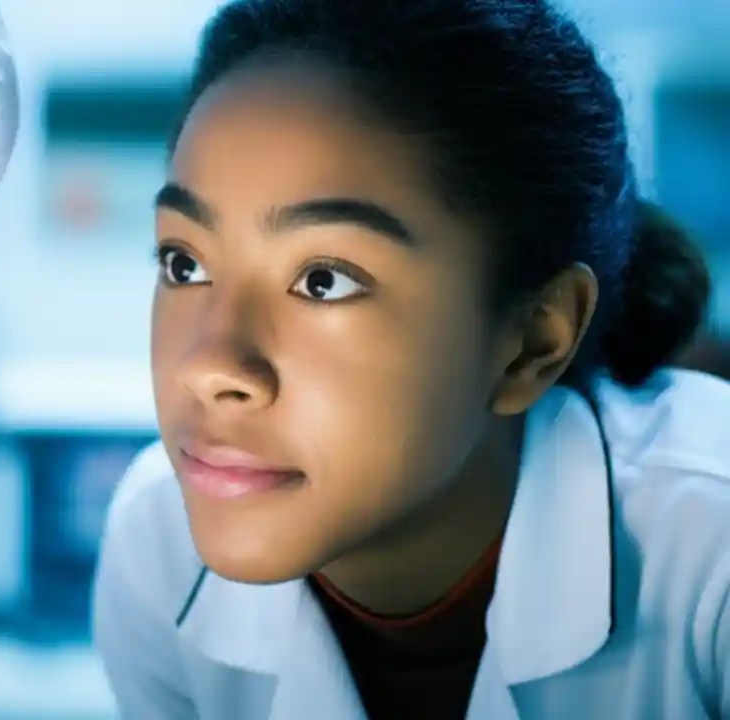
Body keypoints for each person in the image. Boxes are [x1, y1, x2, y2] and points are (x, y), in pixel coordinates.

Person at [90, 1, 730, 718]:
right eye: (184, 264)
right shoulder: (157, 541)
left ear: (532, 342)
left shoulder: (711, 551)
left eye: (323, 280)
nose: (211, 366)